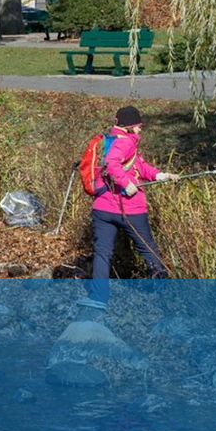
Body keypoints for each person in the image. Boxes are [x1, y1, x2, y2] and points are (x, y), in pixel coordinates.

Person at [81, 106, 177, 310]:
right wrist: (126, 184)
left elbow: (138, 165)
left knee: (102, 253)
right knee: (148, 250)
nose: (141, 129)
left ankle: (99, 298)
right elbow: (112, 164)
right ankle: (166, 296)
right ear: (131, 126)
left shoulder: (113, 140)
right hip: (129, 210)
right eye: (140, 126)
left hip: (103, 209)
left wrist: (160, 175)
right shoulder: (125, 143)